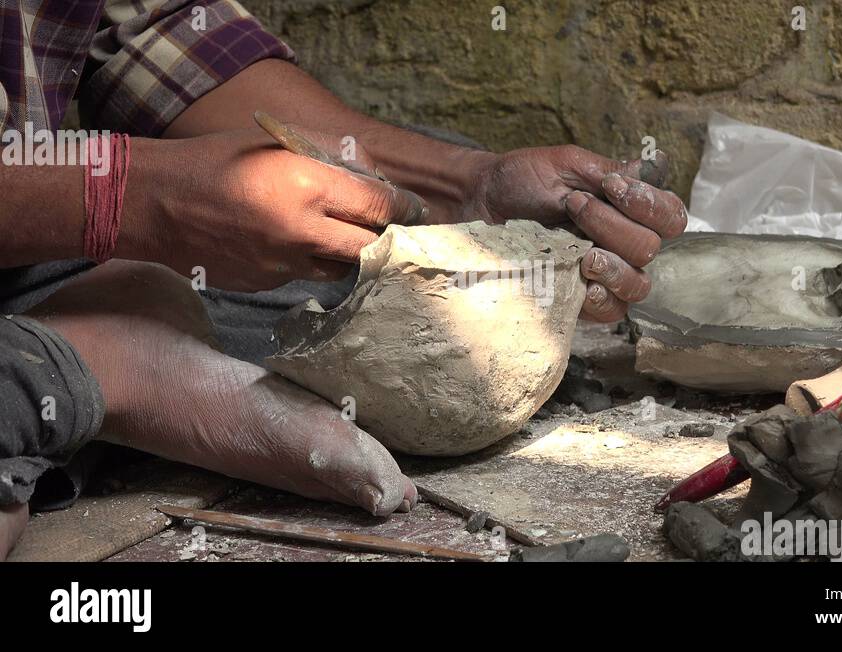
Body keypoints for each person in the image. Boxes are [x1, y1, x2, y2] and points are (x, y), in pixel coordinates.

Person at [0, 0, 686, 560]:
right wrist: (131, 199)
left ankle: (110, 323)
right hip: (59, 226)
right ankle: (103, 361)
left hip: (42, 243)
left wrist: (458, 186)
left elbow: (158, 37)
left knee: (333, 270)